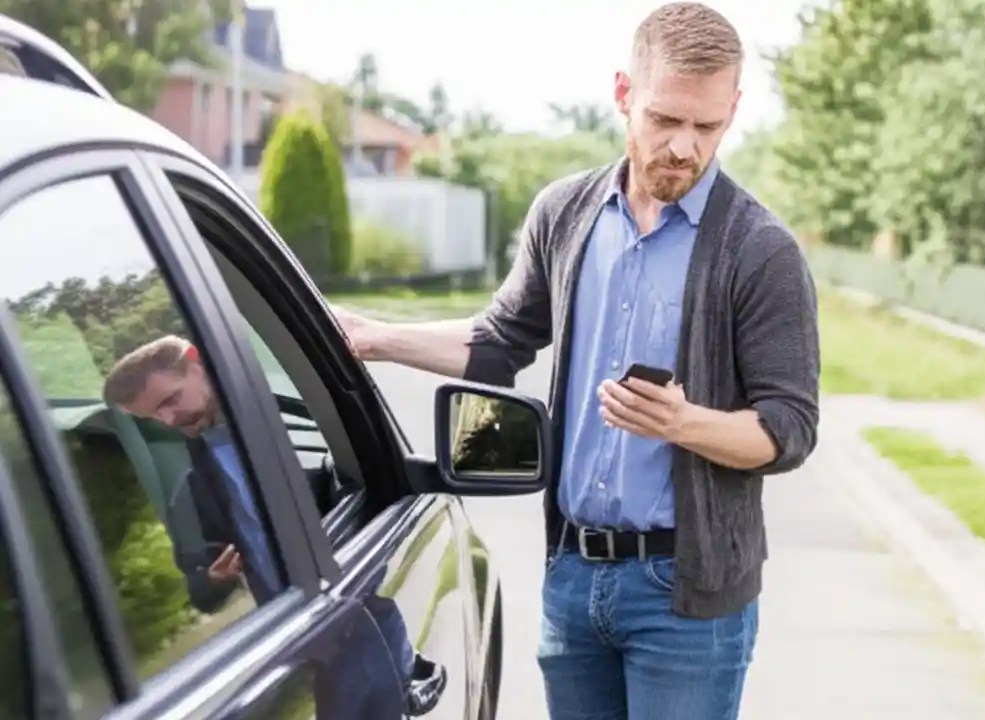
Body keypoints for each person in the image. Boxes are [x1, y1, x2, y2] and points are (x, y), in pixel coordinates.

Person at [336, 3, 821, 716]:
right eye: (664, 119)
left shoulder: (760, 252)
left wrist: (683, 423)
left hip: (686, 598)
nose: (684, 147)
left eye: (707, 127)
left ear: (733, 111)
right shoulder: (565, 214)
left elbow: (789, 430)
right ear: (625, 95)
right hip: (571, 576)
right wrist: (370, 338)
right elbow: (498, 344)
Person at [102, 335, 446, 717]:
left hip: (360, 624)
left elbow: (373, 489)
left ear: (197, 362)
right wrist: (215, 579)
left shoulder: (299, 427)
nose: (168, 421)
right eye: (151, 418)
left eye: (170, 400)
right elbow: (197, 586)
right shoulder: (193, 489)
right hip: (303, 643)